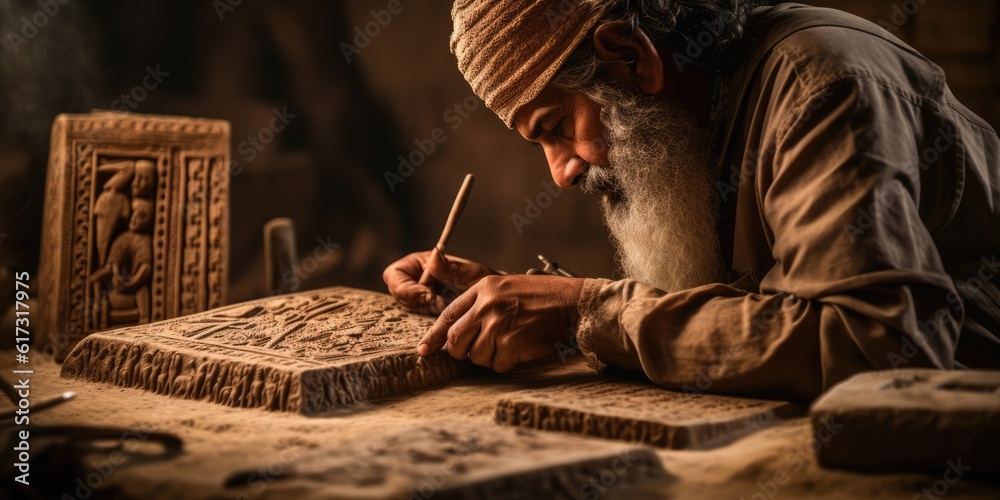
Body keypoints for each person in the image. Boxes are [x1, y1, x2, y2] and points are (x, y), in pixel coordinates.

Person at [383, 0, 1000, 402]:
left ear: (630, 55)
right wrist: (530, 309)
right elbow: (751, 315)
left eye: (555, 127)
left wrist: (584, 313)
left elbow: (872, 346)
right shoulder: (707, 108)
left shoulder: (825, 91)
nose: (562, 172)